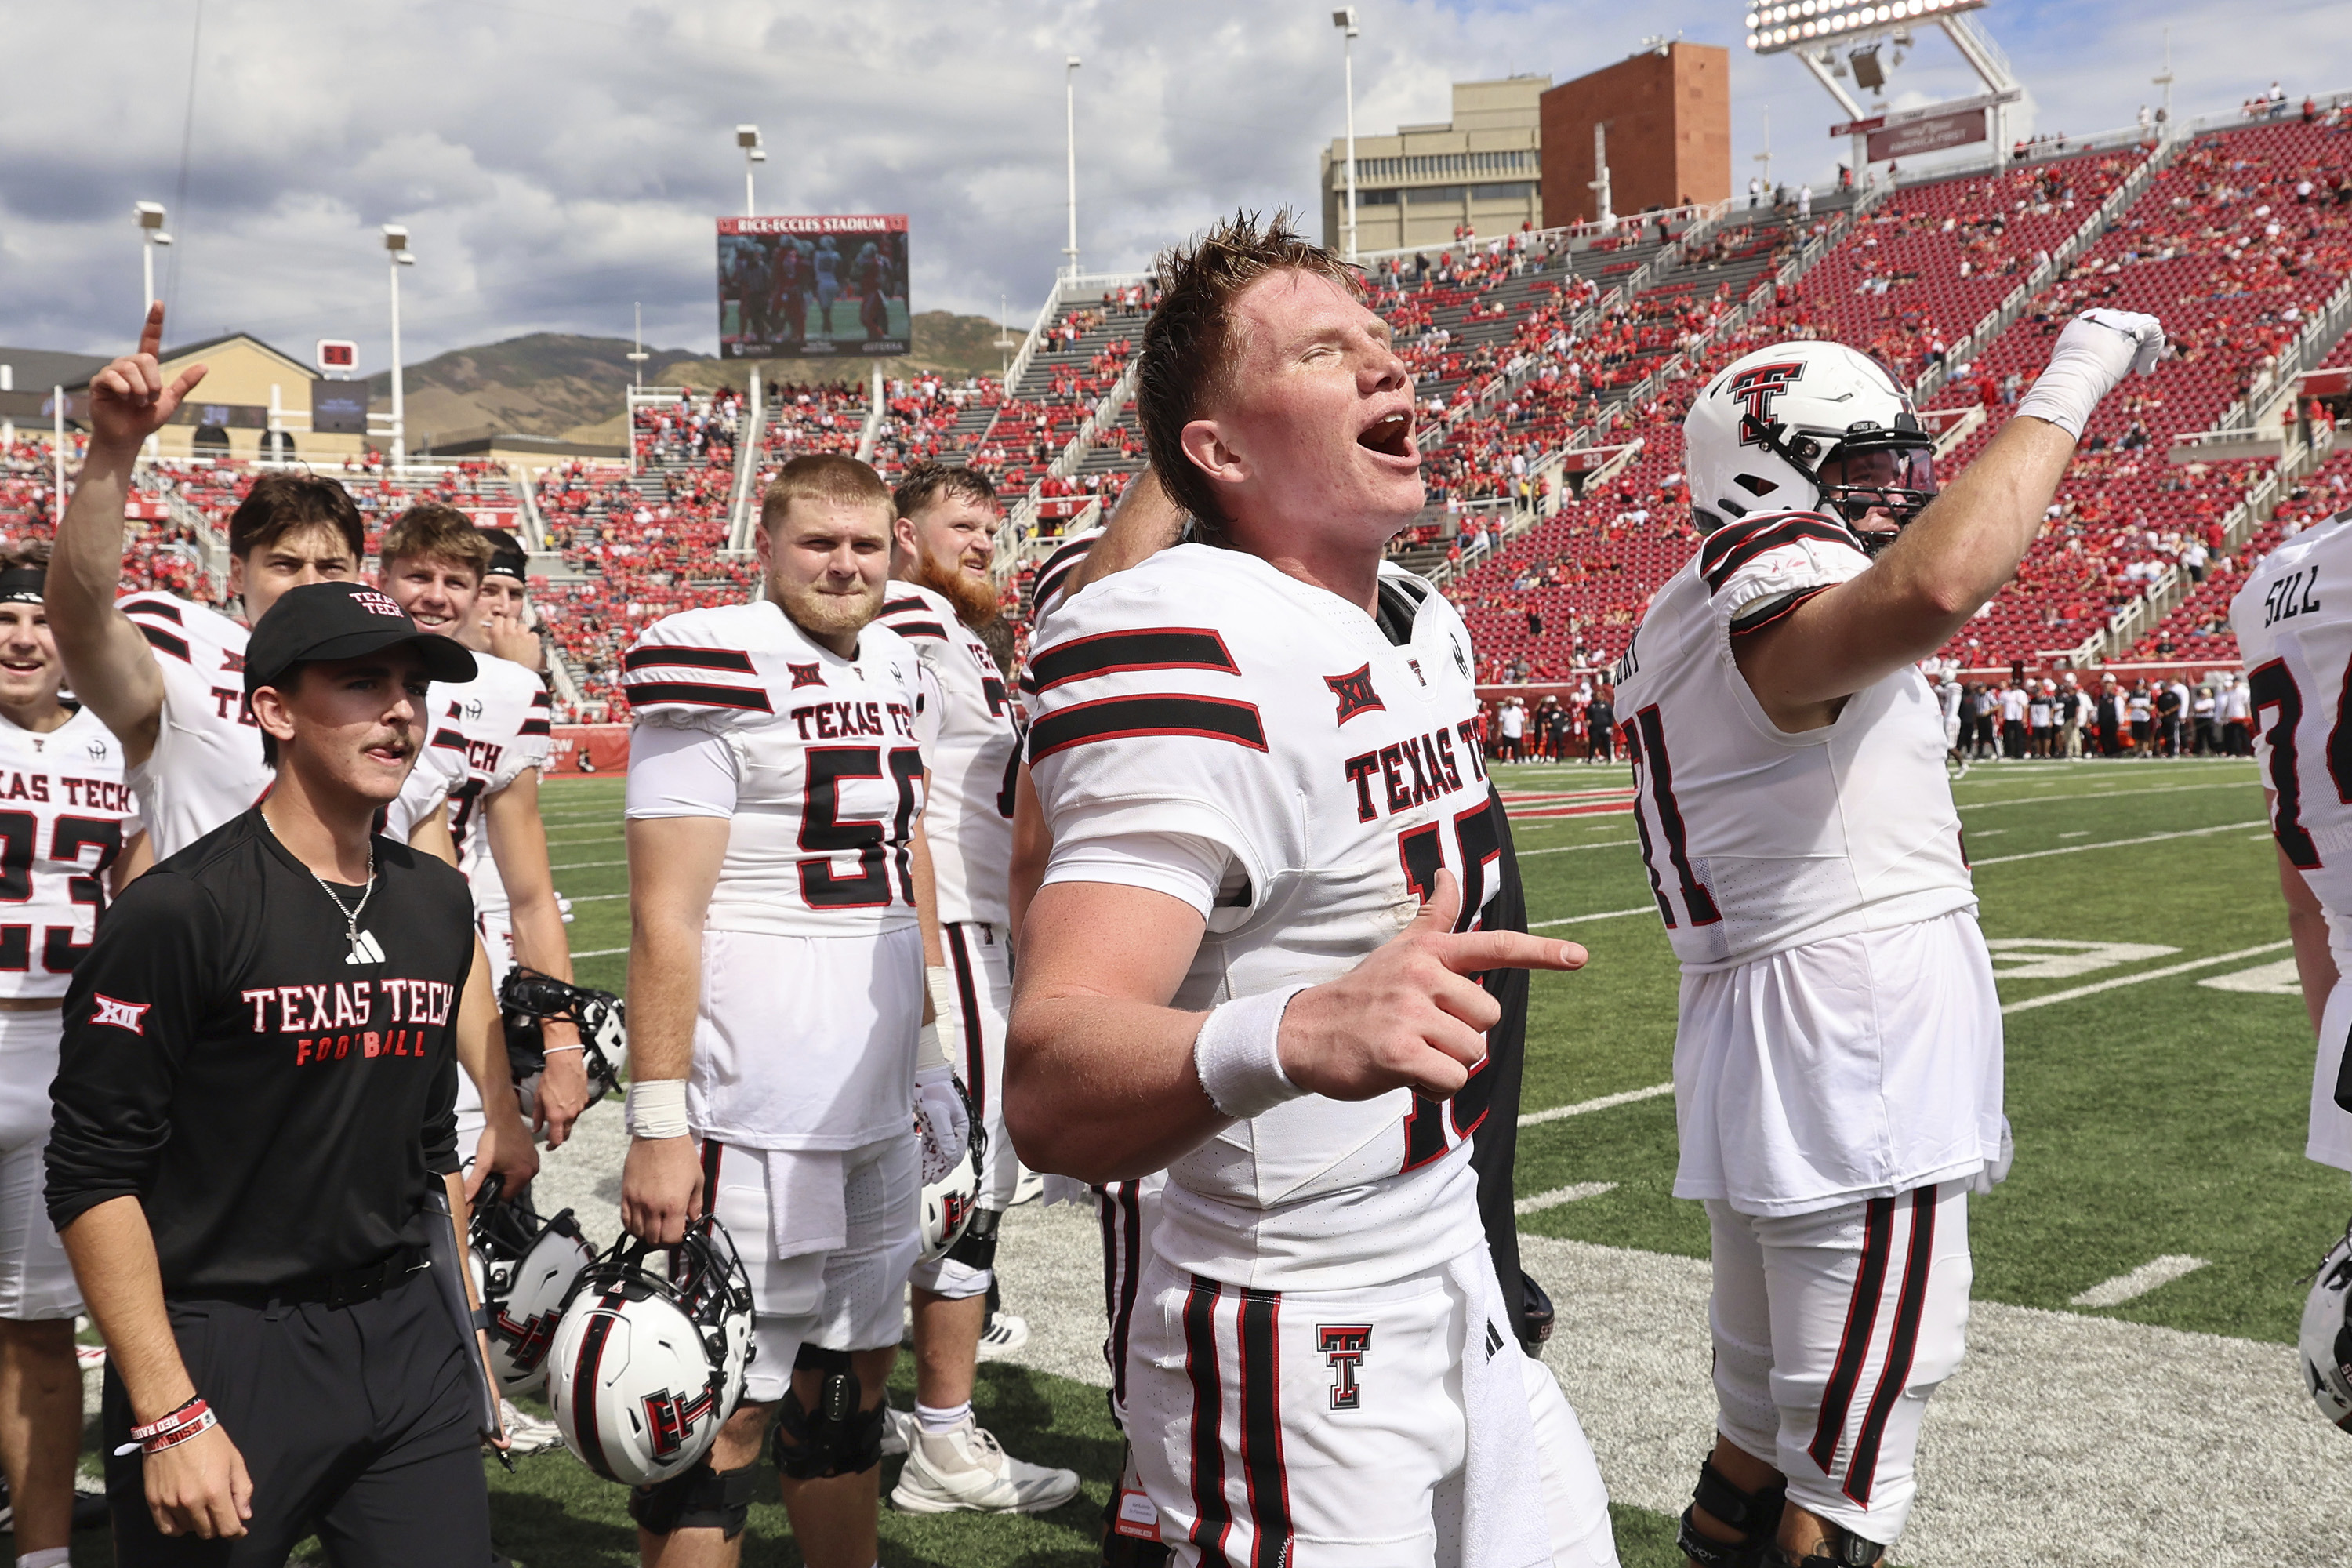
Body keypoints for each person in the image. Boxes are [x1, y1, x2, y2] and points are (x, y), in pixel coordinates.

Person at [1007, 213, 1618, 1568]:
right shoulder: (1183, 635)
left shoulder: (1401, 620)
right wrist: (1292, 1031)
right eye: (1323, 352)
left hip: (1449, 1260)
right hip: (1299, 1313)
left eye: (1383, 341)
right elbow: (1048, 1081)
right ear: (1219, 454)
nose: (1389, 368)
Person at [1619, 312, 2165, 1566]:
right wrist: (2072, 381)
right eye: (1866, 471)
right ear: (1766, 467)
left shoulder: (1673, 610)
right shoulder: (1768, 555)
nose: (1901, 497)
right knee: (1853, 1471)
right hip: (1851, 1024)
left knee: (1760, 1440)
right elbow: (1935, 586)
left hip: (1771, 1012)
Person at [45, 308, 539, 1202]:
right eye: (284, 565)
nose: (309, 585)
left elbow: (443, 920)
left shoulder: (392, 708)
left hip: (366, 1052)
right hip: (226, 1051)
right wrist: (113, 454)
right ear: (236, 573)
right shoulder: (184, 665)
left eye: (331, 567)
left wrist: (497, 1097)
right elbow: (79, 619)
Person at [46, 581, 495, 1564]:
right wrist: (168, 1408)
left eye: (414, 685)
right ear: (275, 710)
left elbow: (430, 1149)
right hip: (223, 1343)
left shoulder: (436, 899)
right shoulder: (181, 909)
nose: (402, 710)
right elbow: (90, 1174)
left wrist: (463, 1339)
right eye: (363, 682)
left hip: (406, 1332)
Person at [619, 454, 966, 1568]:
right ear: (766, 544)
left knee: (849, 1391)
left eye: (866, 544)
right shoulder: (711, 659)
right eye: (819, 542)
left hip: (875, 1097)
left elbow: (906, 866)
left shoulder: (903, 659)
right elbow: (665, 915)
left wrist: (928, 1058)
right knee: (722, 1412)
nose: (845, 565)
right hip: (757, 1101)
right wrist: (658, 1120)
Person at [874, 462, 1080, 1514]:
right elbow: (896, 810)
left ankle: (868, 1403)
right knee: (966, 1186)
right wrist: (923, 972)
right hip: (949, 932)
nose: (986, 543)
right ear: (904, 535)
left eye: (993, 527)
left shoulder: (953, 633)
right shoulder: (908, 622)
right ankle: (944, 1443)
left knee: (916, 1188)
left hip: (965, 930)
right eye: (963, 525)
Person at [0, 544, 140, 1564]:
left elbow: (142, 905)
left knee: (41, 1327)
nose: (22, 637)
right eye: (5, 619)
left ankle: (43, 1555)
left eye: (41, 618)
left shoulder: (118, 745)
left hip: (62, 1056)